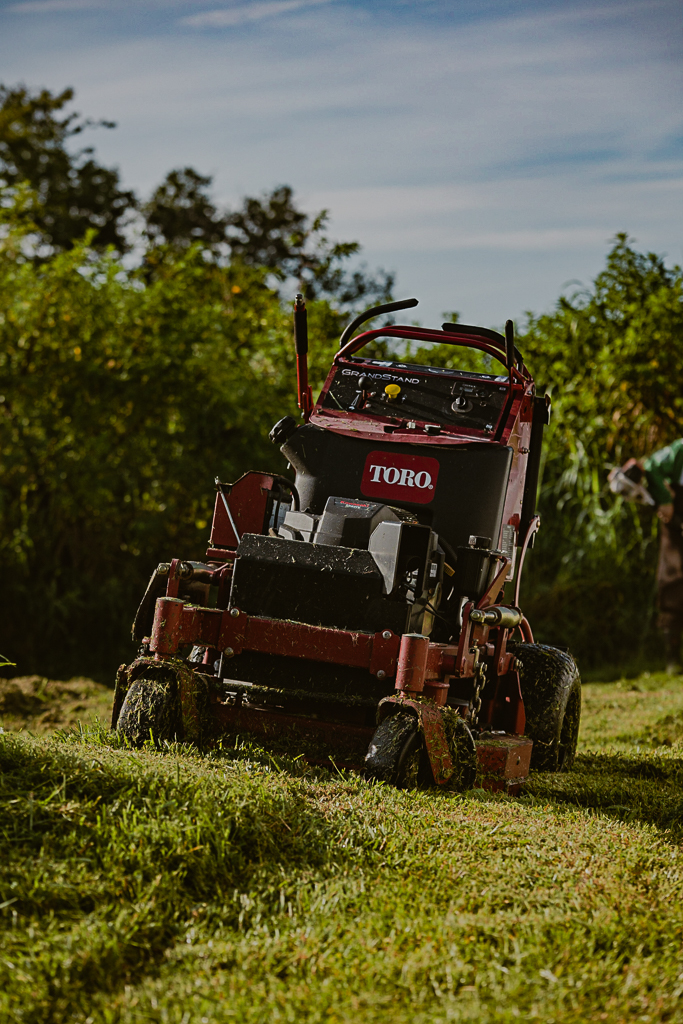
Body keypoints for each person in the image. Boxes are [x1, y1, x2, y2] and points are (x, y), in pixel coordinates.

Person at [609, 439, 683, 674]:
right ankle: (673, 659)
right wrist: (665, 499)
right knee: (672, 578)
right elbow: (651, 466)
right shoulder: (679, 451)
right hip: (677, 516)